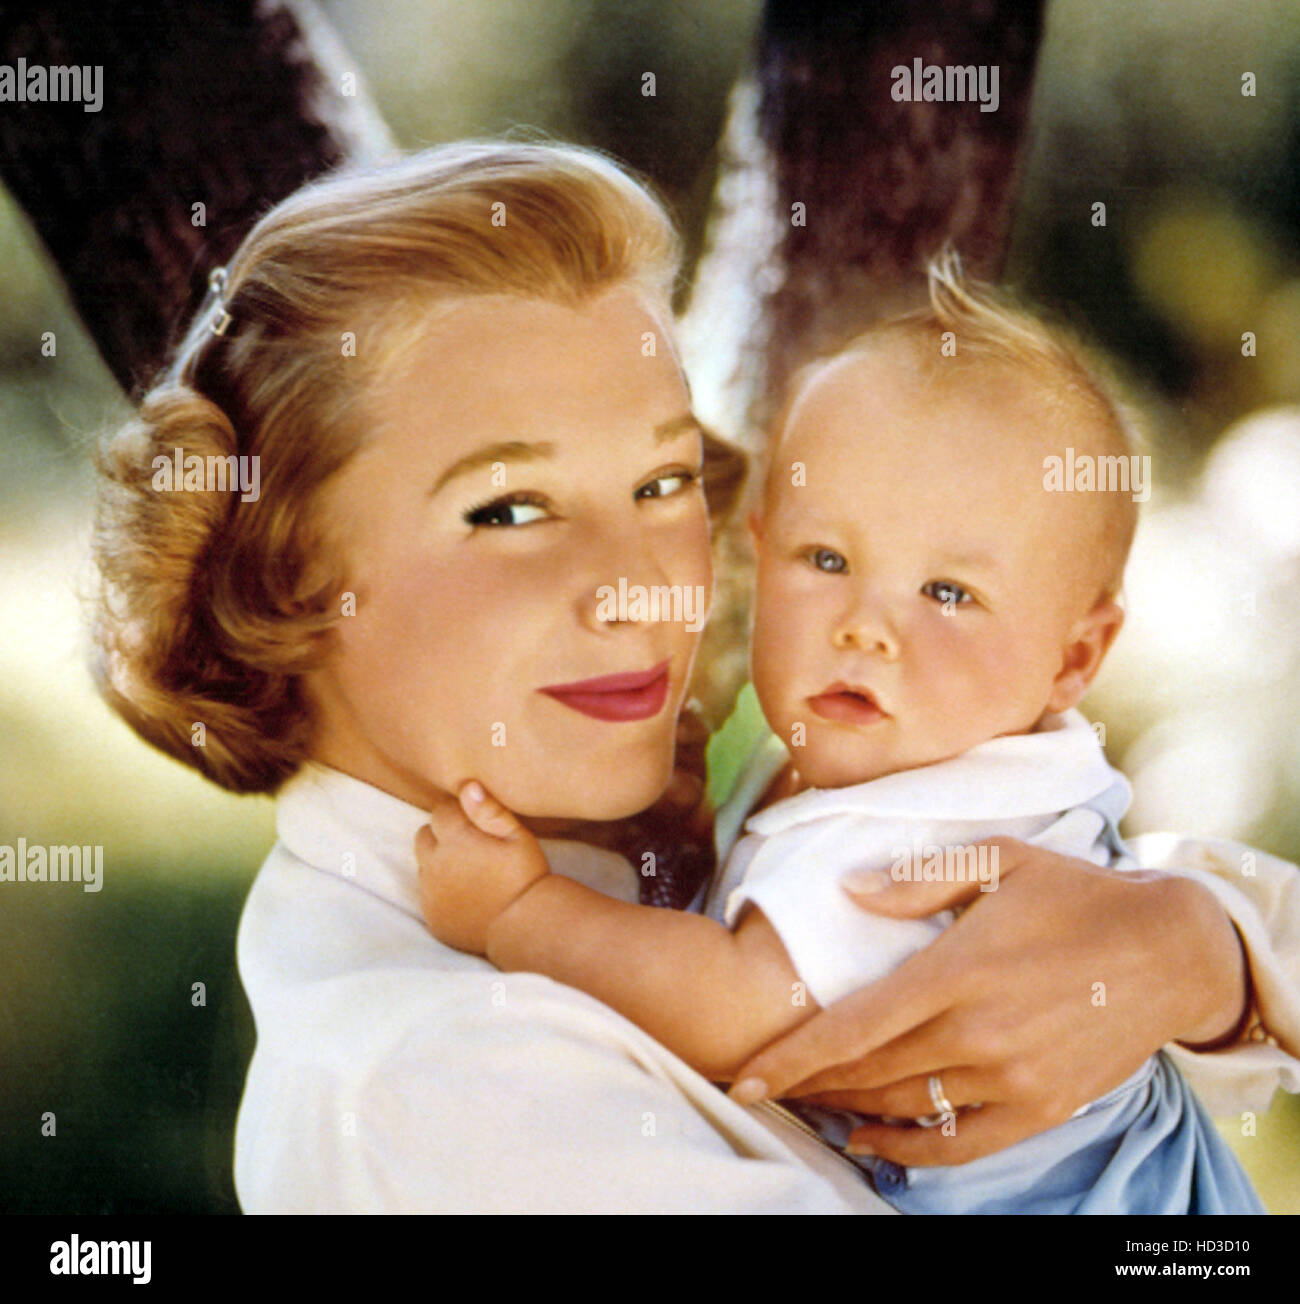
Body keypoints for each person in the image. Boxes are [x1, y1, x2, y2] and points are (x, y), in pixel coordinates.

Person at [89, 140, 1300, 1213]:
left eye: (663, 482)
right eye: (509, 507)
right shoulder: (441, 1092)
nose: (644, 585)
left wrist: (1203, 947)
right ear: (289, 572)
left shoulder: (678, 819)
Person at [414, 260, 1265, 1211]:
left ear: (1076, 657)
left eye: (949, 593)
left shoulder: (918, 828)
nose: (866, 625)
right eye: (826, 559)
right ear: (760, 550)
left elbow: (734, 1008)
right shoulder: (928, 753)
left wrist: (518, 914)